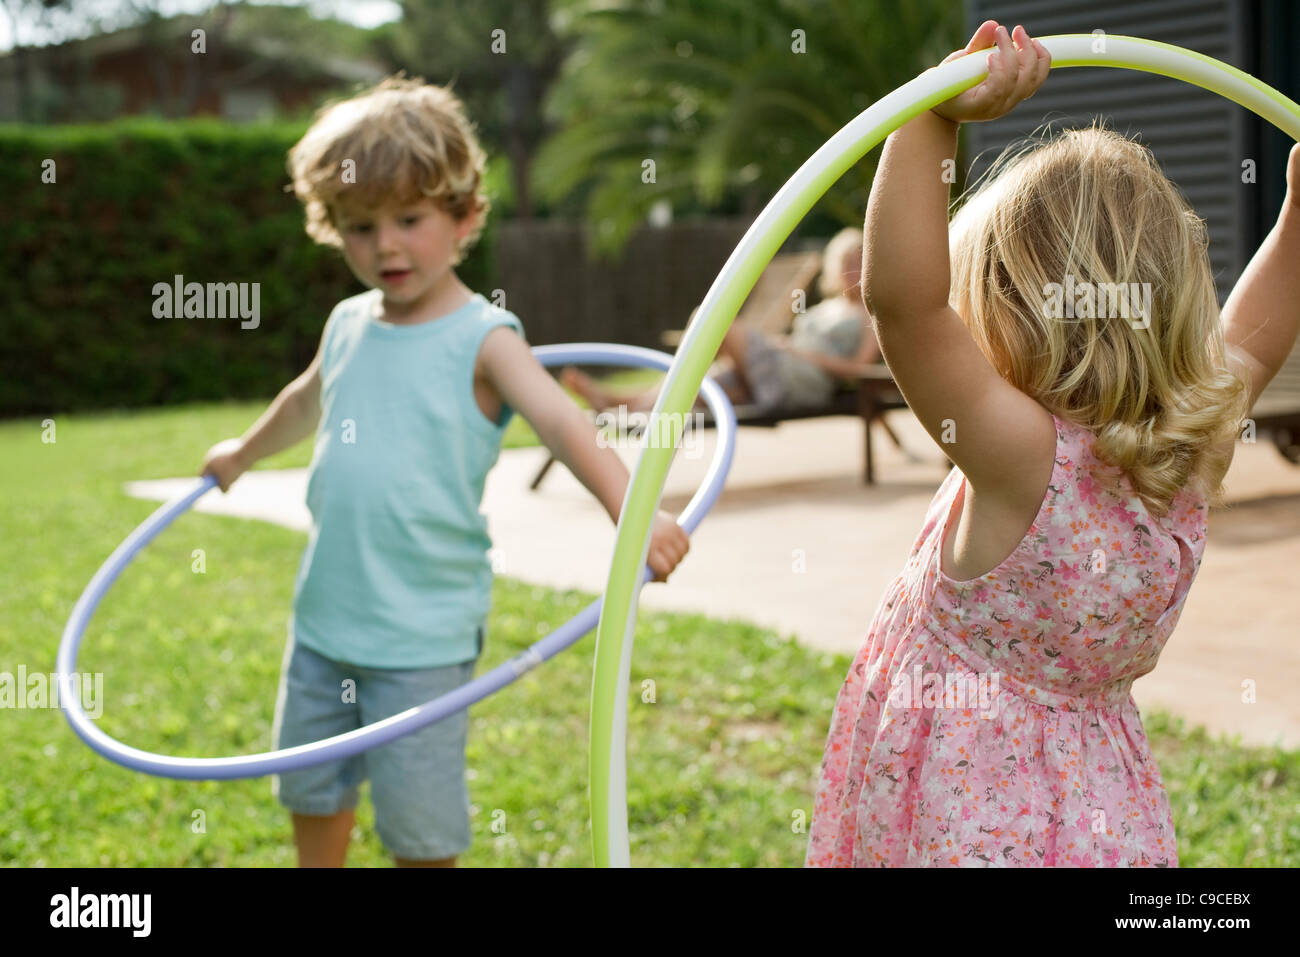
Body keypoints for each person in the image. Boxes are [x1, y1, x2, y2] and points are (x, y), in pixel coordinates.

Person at [806, 21, 1300, 867]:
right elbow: (1260, 328)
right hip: (1098, 810)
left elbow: (903, 303)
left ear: (1007, 310)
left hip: (969, 810)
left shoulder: (1019, 458)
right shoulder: (1190, 444)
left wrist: (933, 117)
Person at [197, 75, 690, 868]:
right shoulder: (348, 323)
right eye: (360, 226)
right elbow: (303, 401)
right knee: (312, 787)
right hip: (325, 620)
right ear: (332, 226)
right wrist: (242, 453)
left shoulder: (484, 337)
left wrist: (634, 513)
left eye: (409, 219)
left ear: (465, 215)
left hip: (421, 634)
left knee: (420, 822)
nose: (384, 246)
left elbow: (563, 422)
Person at [559, 226, 881, 416]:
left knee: (712, 320)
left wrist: (801, 354)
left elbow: (859, 368)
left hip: (802, 382)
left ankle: (621, 400)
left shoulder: (871, 312)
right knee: (706, 382)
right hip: (780, 366)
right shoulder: (823, 307)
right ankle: (623, 402)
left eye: (857, 261)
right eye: (844, 261)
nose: (850, 269)